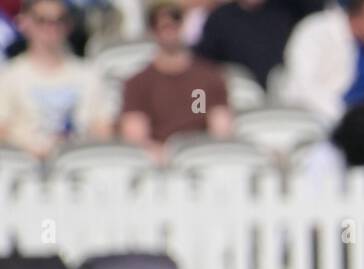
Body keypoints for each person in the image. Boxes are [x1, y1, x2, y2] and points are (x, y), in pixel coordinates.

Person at [120, 0, 232, 162]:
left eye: (175, 21)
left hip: (202, 160)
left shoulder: (209, 77)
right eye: (161, 25)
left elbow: (221, 130)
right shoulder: (138, 83)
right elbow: (136, 138)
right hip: (161, 165)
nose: (169, 29)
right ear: (152, 30)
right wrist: (168, 157)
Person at [0, 0, 111, 158]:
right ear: (24, 23)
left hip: (79, 168)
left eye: (59, 20)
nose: (51, 27)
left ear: (69, 24)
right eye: (42, 20)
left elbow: (102, 130)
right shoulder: (9, 76)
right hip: (26, 172)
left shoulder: (89, 74)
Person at [281, 0, 364, 125]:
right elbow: (302, 86)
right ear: (358, 18)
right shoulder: (314, 32)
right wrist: (345, 116)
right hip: (324, 119)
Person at [194, 0, 300, 90]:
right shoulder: (220, 18)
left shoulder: (287, 10)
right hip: (242, 95)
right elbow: (204, 62)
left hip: (285, 93)